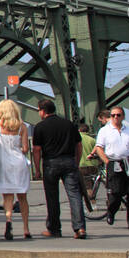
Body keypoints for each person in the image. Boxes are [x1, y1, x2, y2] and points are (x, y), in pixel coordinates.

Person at [32, 98, 87, 238]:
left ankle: (54, 229)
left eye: (39, 110)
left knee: (52, 197)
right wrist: (76, 161)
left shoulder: (40, 127)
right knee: (74, 195)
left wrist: (37, 169)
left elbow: (37, 150)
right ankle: (79, 228)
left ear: (43, 111)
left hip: (50, 163)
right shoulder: (68, 124)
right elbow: (78, 145)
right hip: (69, 162)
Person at [95, 106, 129, 230]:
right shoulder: (104, 131)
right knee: (116, 192)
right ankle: (111, 212)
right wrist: (107, 161)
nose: (115, 117)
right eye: (113, 115)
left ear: (123, 116)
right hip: (114, 163)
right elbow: (99, 148)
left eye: (118, 115)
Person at [0, 100, 32, 240]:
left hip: (3, 162)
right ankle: (26, 229)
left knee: (7, 197)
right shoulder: (21, 126)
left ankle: (8, 221)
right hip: (19, 163)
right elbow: (25, 149)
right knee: (22, 197)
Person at [78, 121, 100, 210]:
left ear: (79, 130)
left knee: (87, 186)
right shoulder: (92, 140)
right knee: (92, 184)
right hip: (93, 165)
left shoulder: (77, 139)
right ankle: (93, 202)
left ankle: (91, 204)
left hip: (82, 165)